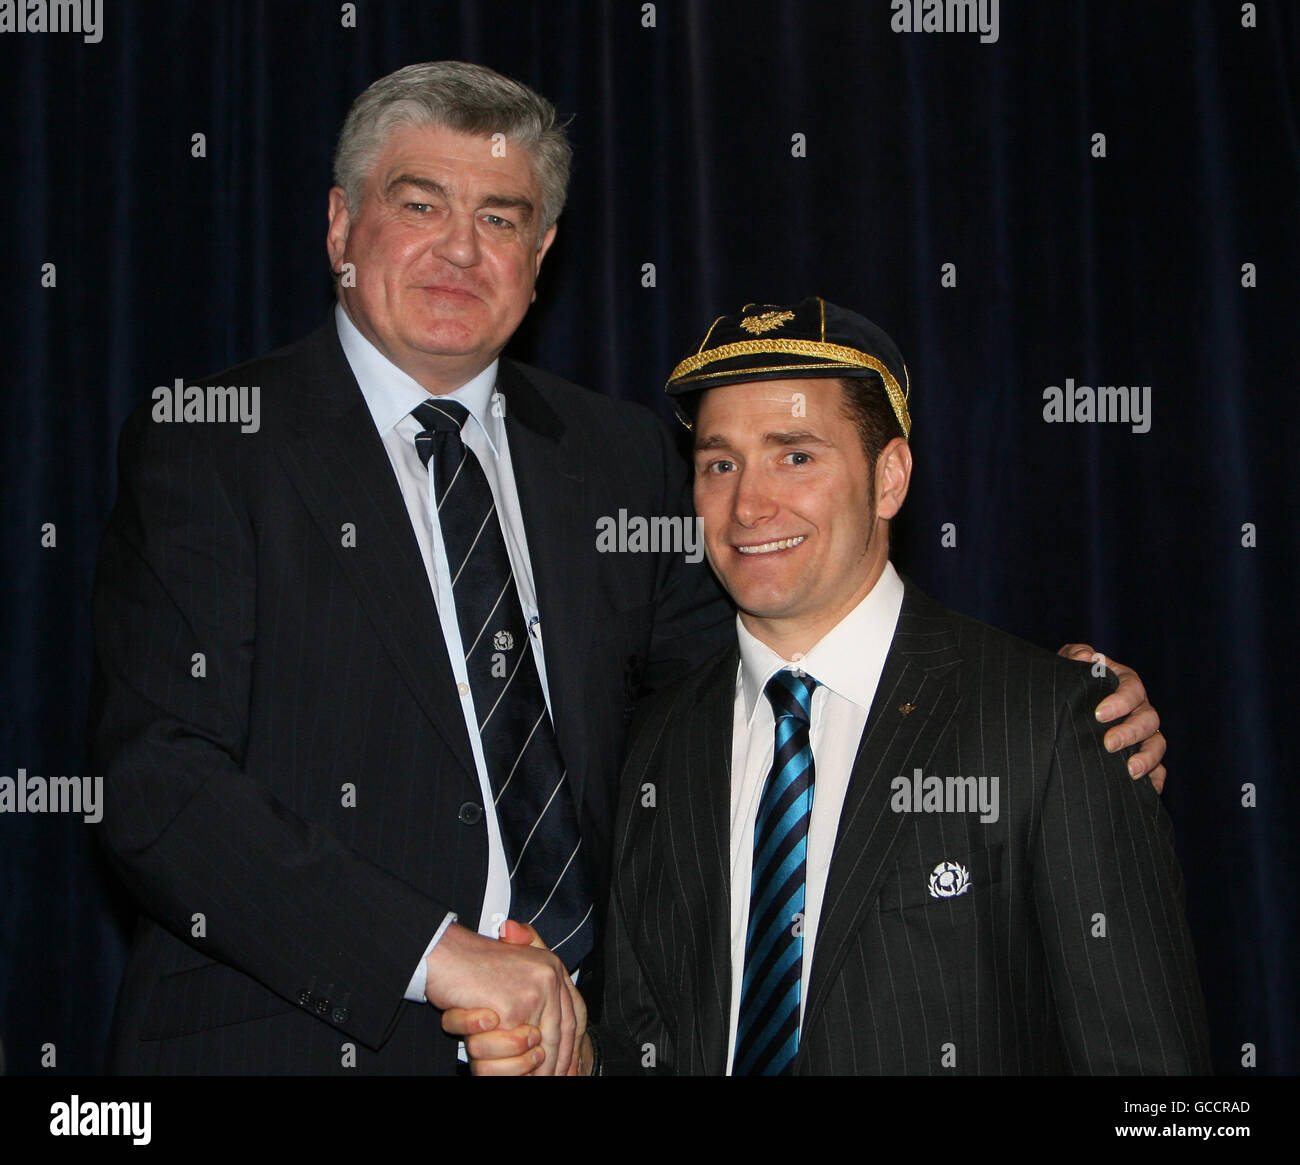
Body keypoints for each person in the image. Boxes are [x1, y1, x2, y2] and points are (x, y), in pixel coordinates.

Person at [91, 58, 1165, 1077]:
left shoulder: (618, 456)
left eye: (500, 217)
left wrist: (1034, 707)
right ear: (340, 225)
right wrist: (437, 952)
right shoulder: (215, 441)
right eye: (421, 204)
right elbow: (154, 781)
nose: (461, 250)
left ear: (542, 252)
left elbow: (769, 662)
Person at [447, 298, 1208, 1075]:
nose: (749, 504)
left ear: (889, 478)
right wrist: (577, 1057)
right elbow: (659, 1045)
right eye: (720, 462)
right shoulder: (661, 742)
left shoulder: (1051, 724)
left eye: (796, 455)